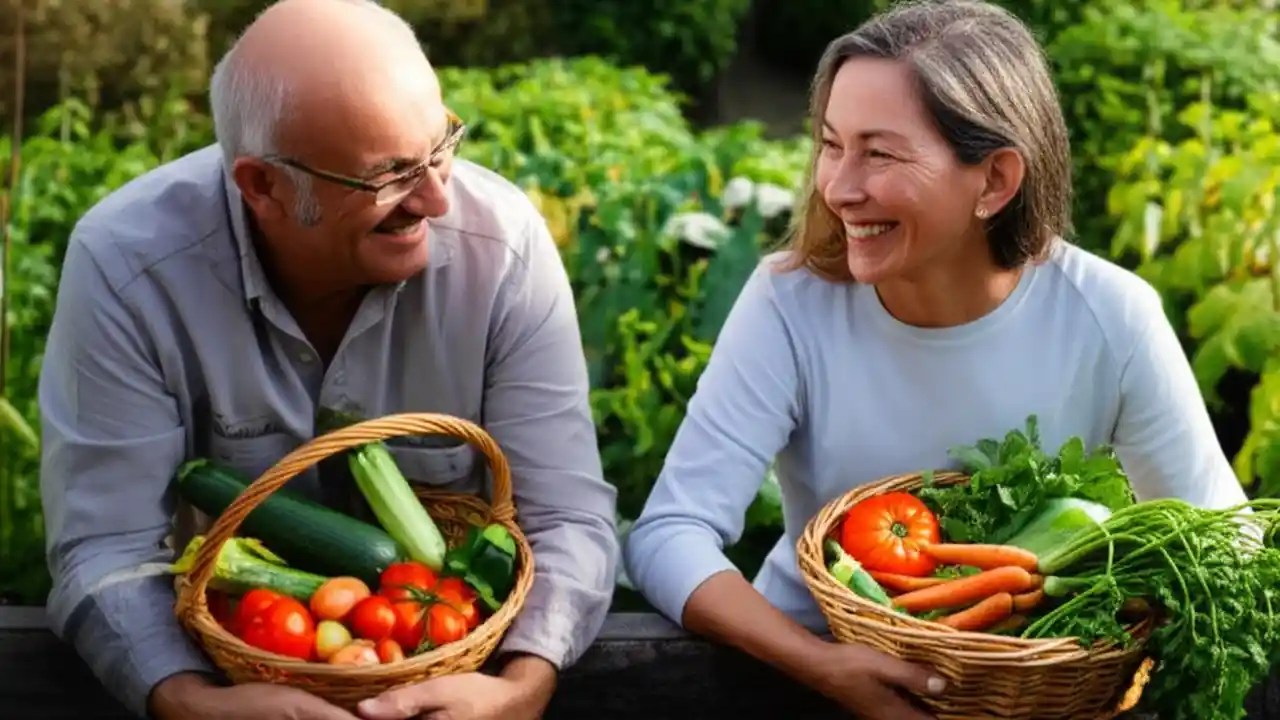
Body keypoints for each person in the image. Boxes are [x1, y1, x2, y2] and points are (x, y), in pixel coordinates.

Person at [622, 1, 1249, 719]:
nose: (838, 186)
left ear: (995, 181)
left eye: (880, 153)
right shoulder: (790, 304)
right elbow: (670, 536)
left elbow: (1224, 547)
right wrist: (823, 666)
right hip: (803, 690)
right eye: (832, 144)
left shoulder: (1110, 316)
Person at [38, 1, 619, 719]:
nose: (439, 199)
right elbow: (107, 547)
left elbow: (568, 518)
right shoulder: (128, 268)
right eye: (392, 176)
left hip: (456, 671)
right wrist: (190, 706)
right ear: (263, 186)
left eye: (443, 148)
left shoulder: (504, 254)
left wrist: (522, 687)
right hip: (231, 676)